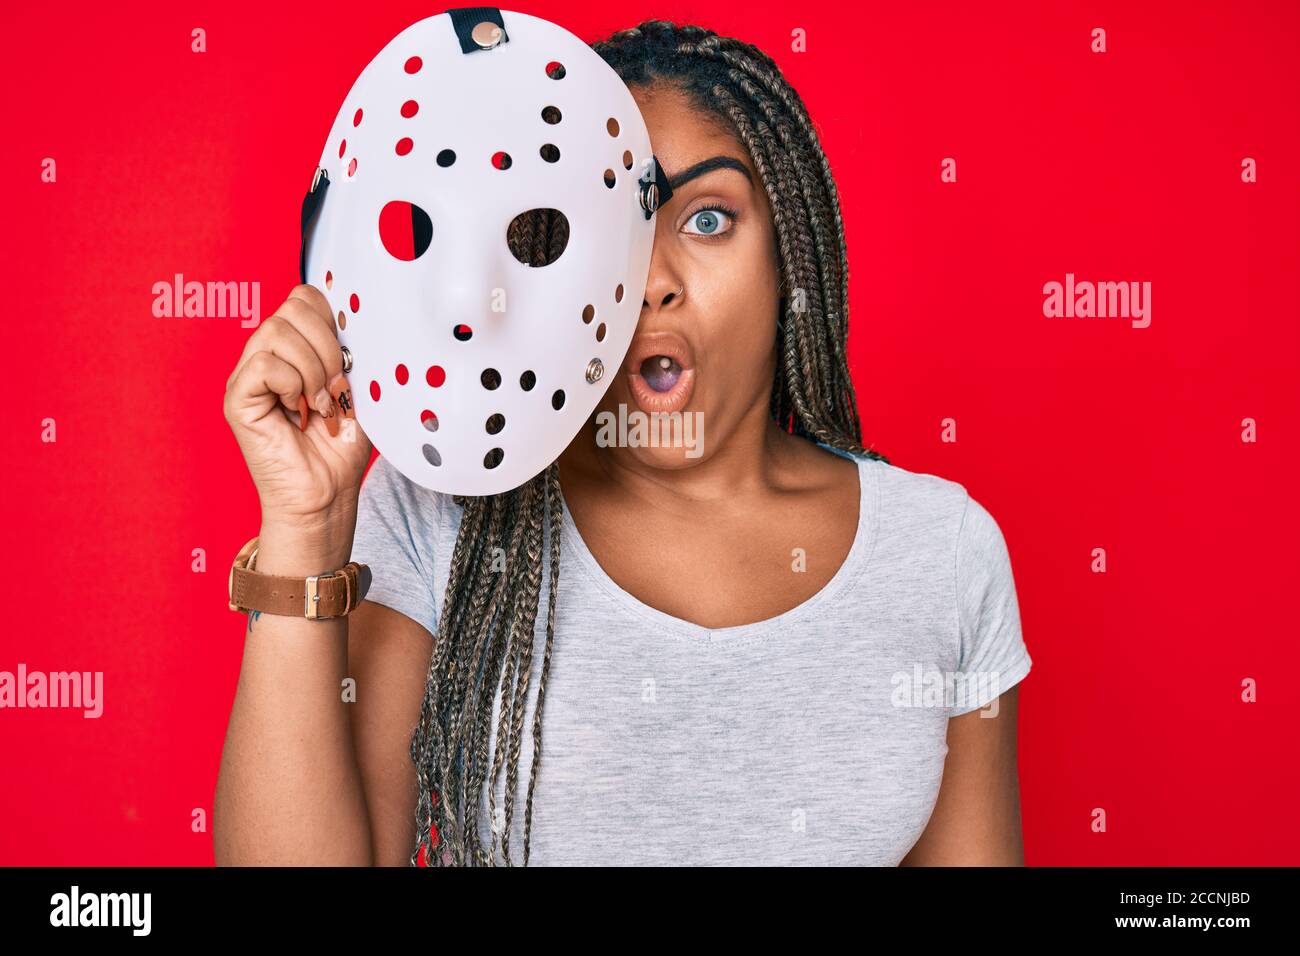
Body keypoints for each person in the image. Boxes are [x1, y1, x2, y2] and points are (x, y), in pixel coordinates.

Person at [214, 19, 1032, 867]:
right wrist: (304, 526)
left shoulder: (942, 550)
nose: (652, 284)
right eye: (602, 228)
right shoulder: (437, 514)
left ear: (791, 253)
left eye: (709, 219)